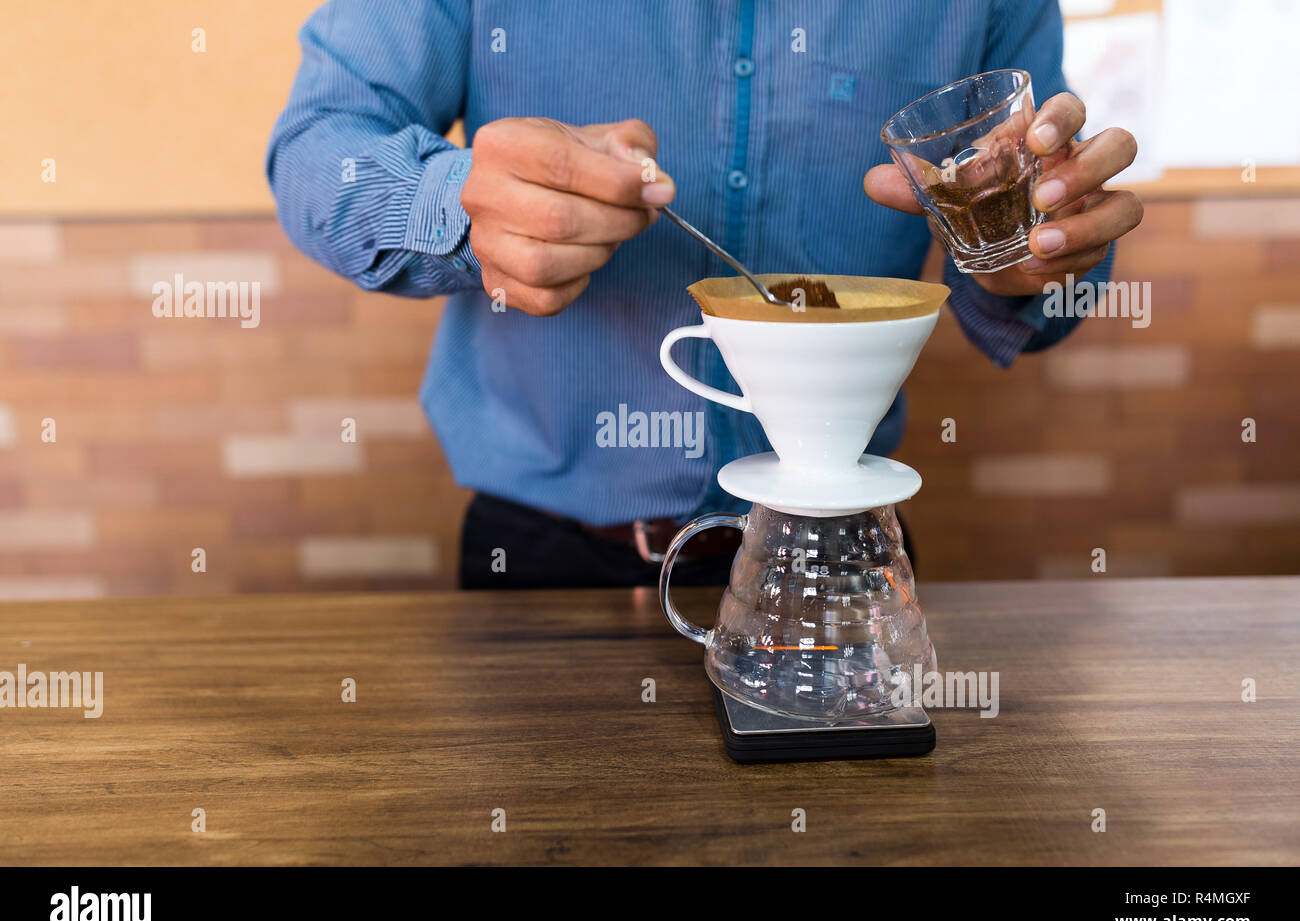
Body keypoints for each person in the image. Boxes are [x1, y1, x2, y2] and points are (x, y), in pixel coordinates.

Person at [267, 0, 1142, 589]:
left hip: (842, 558)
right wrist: (464, 204)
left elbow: (1040, 275)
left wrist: (1025, 262)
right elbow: (315, 146)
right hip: (542, 567)